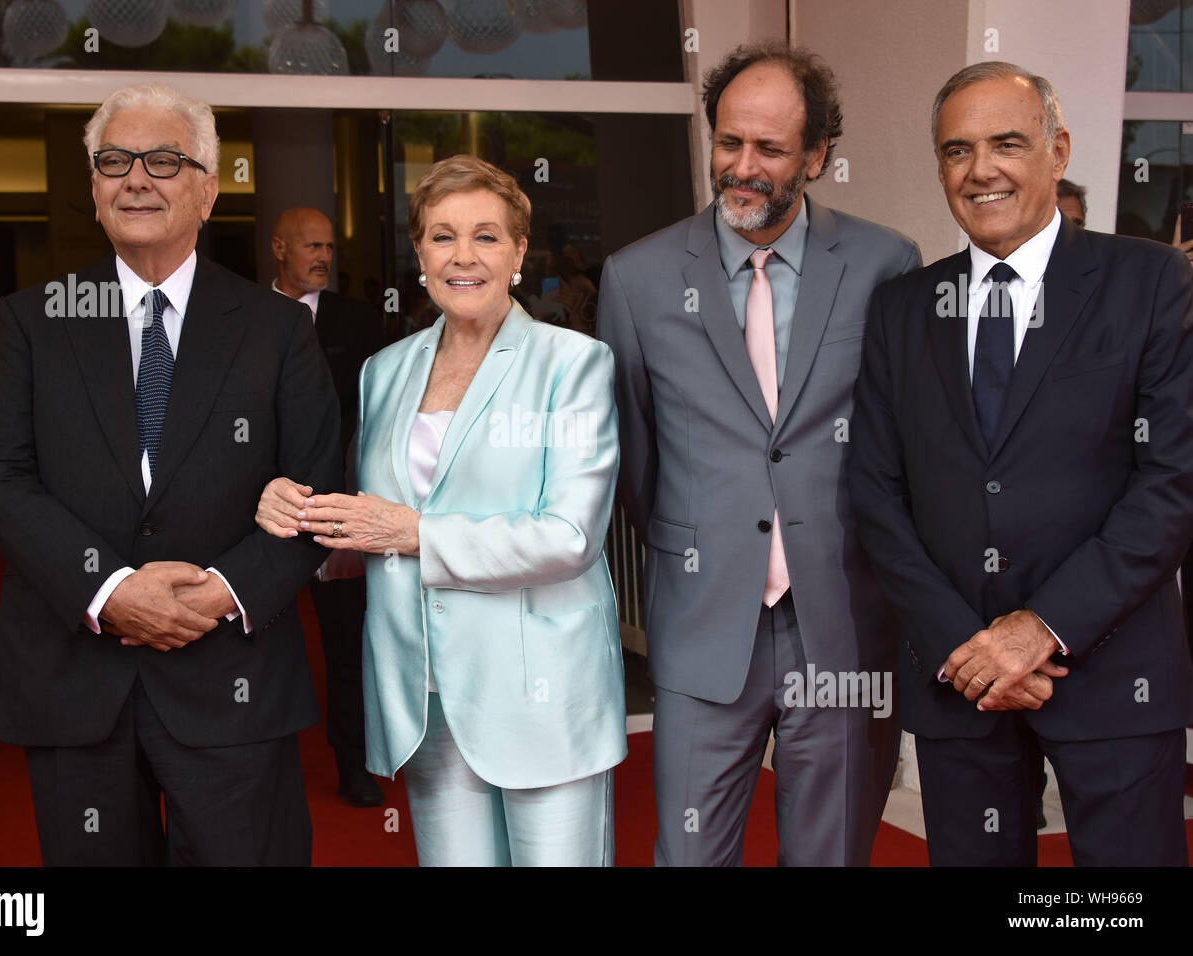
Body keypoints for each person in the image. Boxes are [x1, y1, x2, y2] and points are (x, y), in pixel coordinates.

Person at [0, 83, 342, 866]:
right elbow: (2, 481)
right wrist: (111, 592)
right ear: (95, 189)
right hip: (76, 681)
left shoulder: (277, 331)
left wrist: (220, 592)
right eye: (115, 161)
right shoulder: (30, 320)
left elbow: (316, 485)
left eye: (164, 160)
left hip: (231, 678)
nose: (137, 179)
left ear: (207, 190)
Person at [848, 61, 1193, 866]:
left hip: (1113, 674)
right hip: (960, 679)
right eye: (958, 151)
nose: (982, 170)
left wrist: (1039, 629)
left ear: (1057, 148)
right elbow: (874, 492)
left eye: (1007, 143)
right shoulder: (903, 307)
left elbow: (1172, 482)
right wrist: (965, 646)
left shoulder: (1150, 281)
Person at [597, 41, 920, 867]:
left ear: (816, 157)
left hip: (845, 622)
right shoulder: (638, 278)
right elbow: (634, 460)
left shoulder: (886, 265)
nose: (743, 166)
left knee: (832, 854)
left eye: (770, 149)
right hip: (704, 624)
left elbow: (906, 445)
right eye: (729, 142)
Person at [256, 154, 626, 866]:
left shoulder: (573, 363)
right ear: (419, 252)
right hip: (424, 696)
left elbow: (569, 535)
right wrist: (293, 511)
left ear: (519, 251)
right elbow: (371, 526)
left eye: (486, 236)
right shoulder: (385, 370)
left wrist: (416, 533)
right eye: (443, 235)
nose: (464, 256)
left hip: (537, 692)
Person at [271, 206, 387, 808]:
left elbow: (377, 416)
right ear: (279, 250)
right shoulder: (242, 318)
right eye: (310, 246)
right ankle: (256, 769)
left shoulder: (359, 322)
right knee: (257, 641)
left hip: (338, 510)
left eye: (328, 248)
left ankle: (354, 765)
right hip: (257, 516)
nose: (322, 256)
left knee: (347, 645)